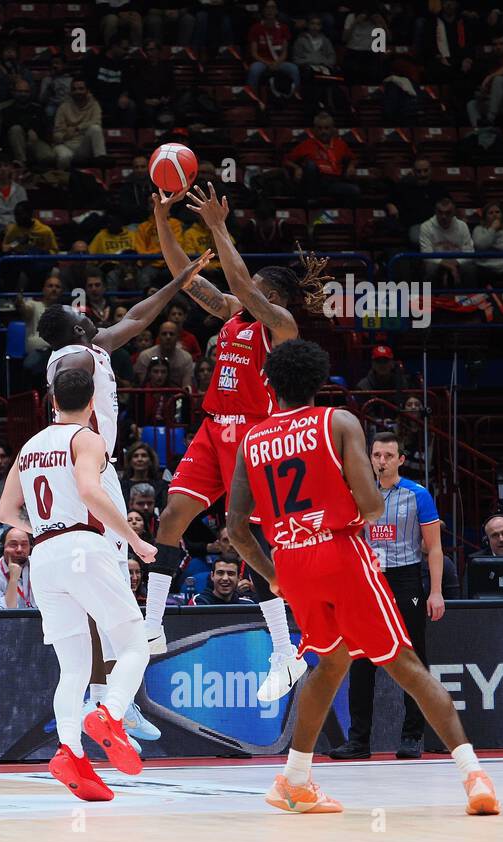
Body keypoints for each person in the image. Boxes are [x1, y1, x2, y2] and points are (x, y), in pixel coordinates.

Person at [226, 338, 498, 815]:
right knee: (404, 662)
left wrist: (275, 577)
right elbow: (373, 507)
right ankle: (473, 774)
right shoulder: (338, 422)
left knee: (330, 664)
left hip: (291, 558)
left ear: (270, 384)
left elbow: (236, 530)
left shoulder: (252, 440)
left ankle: (293, 780)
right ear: (318, 382)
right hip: (339, 551)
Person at [142, 184, 327, 704]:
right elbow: (186, 278)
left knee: (247, 540)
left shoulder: (281, 325)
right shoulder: (232, 315)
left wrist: (220, 226)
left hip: (254, 436)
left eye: (257, 288)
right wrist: (163, 220)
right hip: (212, 428)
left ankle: (282, 648)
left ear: (276, 298)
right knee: (170, 519)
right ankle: (153, 624)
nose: (246, 292)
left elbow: (243, 285)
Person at [38, 245, 210, 741]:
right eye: (78, 314)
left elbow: (137, 317)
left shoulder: (93, 345)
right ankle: (110, 703)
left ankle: (112, 698)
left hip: (91, 463)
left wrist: (181, 280)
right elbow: (71, 368)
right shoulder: (73, 356)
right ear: (73, 329)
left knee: (108, 588)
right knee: (106, 588)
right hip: (85, 465)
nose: (86, 313)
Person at [0, 367, 157, 802]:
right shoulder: (87, 438)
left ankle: (71, 753)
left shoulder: (28, 447)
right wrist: (136, 539)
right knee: (134, 645)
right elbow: (90, 491)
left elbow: (6, 512)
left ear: (51, 402)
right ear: (92, 404)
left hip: (44, 556)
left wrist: (44, 530)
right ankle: (111, 714)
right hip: (84, 546)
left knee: (73, 669)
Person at [329, 432, 446, 760]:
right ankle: (358, 741)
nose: (381, 461)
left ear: (400, 460)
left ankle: (412, 736)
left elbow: (435, 547)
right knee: (362, 659)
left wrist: (435, 592)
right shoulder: (355, 495)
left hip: (406, 579)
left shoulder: (417, 494)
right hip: (365, 579)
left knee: (412, 658)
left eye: (388, 456)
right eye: (376, 455)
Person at [0, 526, 35, 609]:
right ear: (3, 546)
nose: (19, 550)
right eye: (13, 544)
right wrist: (13, 580)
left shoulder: (39, 567)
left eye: (24, 545)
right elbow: (4, 614)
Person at [189, 551, 256, 605]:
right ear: (212, 576)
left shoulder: (248, 604)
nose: (225, 578)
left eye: (231, 573)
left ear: (239, 578)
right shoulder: (199, 602)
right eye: (220, 573)